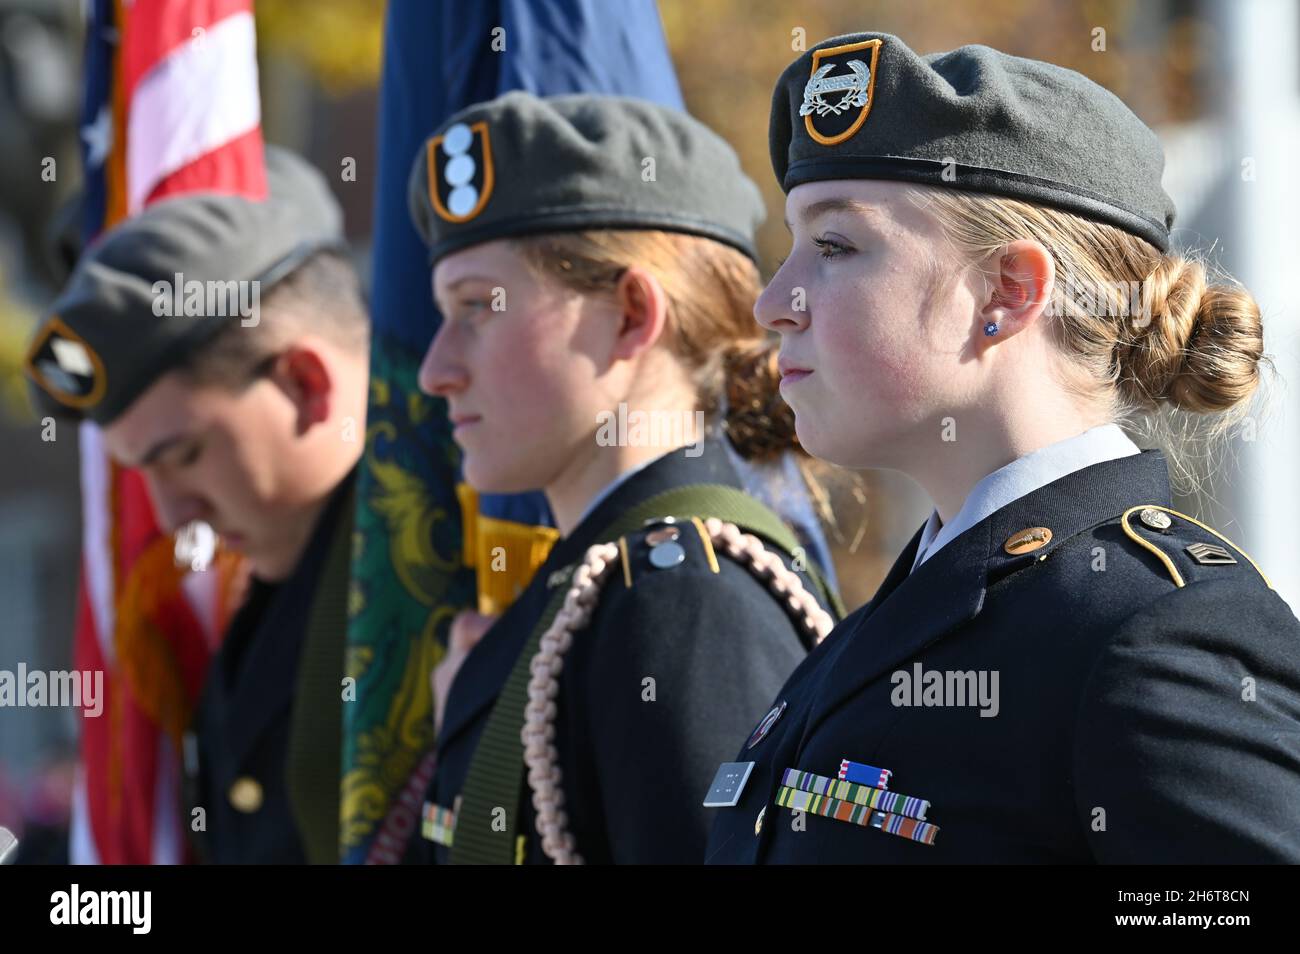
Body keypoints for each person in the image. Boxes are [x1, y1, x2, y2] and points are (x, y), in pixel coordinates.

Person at [705, 31, 1300, 864]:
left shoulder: (1155, 633)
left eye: (834, 246)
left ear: (1008, 292)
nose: (774, 301)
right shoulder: (894, 622)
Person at [407, 92, 843, 864]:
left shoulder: (684, 602)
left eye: (477, 307)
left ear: (632, 314)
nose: (436, 370)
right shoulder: (605, 586)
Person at [25, 147, 369, 863]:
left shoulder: (432, 577)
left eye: (183, 456)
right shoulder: (275, 588)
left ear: (306, 384)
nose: (174, 515)